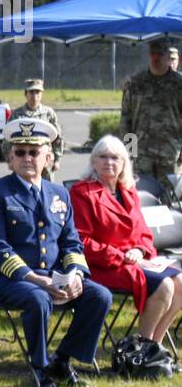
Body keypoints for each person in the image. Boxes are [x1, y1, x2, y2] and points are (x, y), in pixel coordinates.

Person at [0, 119, 111, 387]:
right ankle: (39, 367)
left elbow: (72, 242)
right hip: (7, 279)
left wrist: (75, 276)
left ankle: (61, 361)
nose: (27, 158)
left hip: (53, 277)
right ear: (10, 158)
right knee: (38, 298)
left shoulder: (59, 194)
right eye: (20, 152)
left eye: (34, 152)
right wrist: (35, 278)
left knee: (100, 296)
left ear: (48, 158)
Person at [69, 135, 182, 345]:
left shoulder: (128, 192)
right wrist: (122, 256)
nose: (108, 162)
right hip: (102, 265)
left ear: (124, 164)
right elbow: (81, 241)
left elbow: (144, 233)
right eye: (102, 157)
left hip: (135, 261)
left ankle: (153, 348)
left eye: (115, 157)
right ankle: (142, 346)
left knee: (181, 283)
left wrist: (139, 250)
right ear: (93, 161)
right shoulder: (82, 192)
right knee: (165, 286)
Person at [118, 38, 182, 188]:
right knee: (143, 194)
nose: (156, 58)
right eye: (153, 53)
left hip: (170, 151)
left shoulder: (179, 84)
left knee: (169, 197)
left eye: (159, 54)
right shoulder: (135, 83)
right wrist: (128, 150)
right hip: (142, 152)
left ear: (167, 56)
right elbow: (126, 118)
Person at [8, 78, 62, 178]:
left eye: (38, 92)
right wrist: (10, 161)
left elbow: (57, 138)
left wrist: (57, 160)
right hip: (23, 159)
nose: (34, 96)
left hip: (44, 160)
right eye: (31, 92)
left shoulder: (48, 113)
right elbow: (8, 140)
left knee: (46, 190)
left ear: (42, 94)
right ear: (26, 94)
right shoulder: (16, 114)